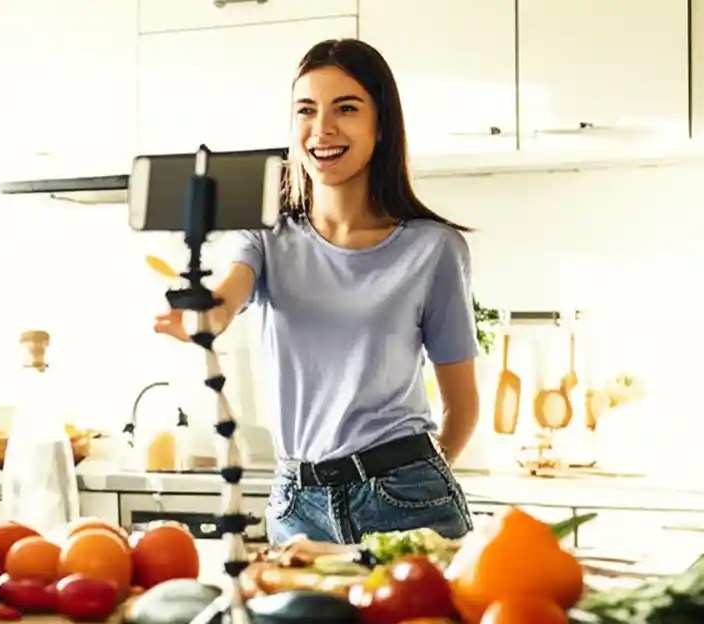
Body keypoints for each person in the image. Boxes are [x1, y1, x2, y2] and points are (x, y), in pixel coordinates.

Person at [154, 38, 480, 547]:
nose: (322, 129)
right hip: (295, 501)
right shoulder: (263, 236)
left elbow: (463, 405)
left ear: (382, 124)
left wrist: (417, 486)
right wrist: (201, 318)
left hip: (405, 493)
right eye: (306, 110)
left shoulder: (434, 249)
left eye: (346, 109)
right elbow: (226, 297)